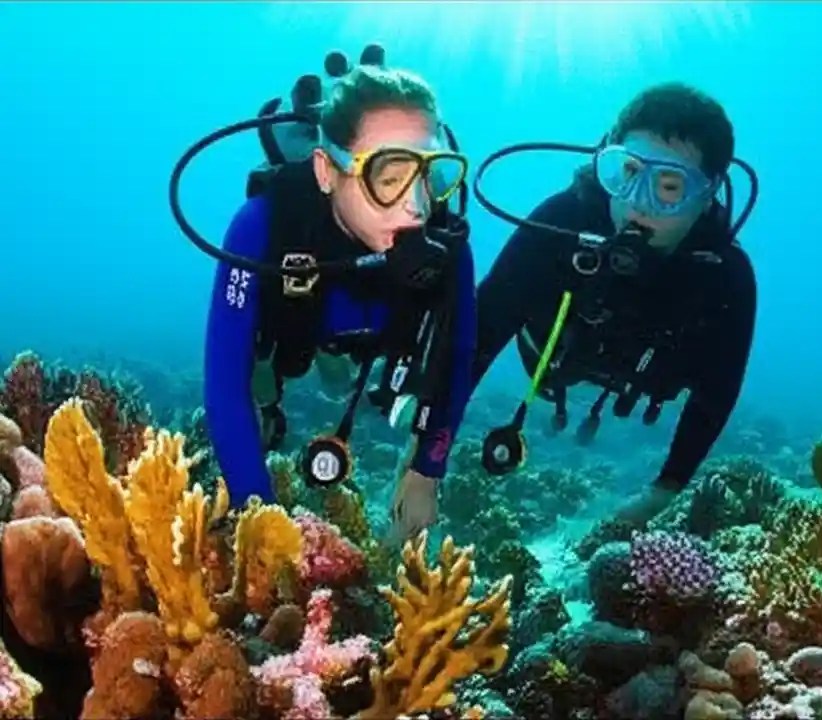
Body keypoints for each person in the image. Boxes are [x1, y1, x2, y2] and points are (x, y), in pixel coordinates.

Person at [192, 47, 476, 544]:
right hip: (289, 334)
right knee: (258, 398)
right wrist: (259, 515)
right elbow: (221, 379)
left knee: (342, 376)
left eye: (430, 175)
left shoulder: (445, 240)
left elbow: (458, 354)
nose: (414, 206)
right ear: (327, 170)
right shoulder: (261, 225)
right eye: (388, 177)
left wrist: (426, 468)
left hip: (369, 343)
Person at [469, 82, 758, 527]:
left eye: (668, 186)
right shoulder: (561, 221)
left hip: (642, 376)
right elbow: (480, 327)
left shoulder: (725, 276)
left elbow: (718, 393)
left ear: (707, 194)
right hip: (549, 358)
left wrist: (664, 490)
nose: (638, 205)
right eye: (627, 173)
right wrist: (424, 449)